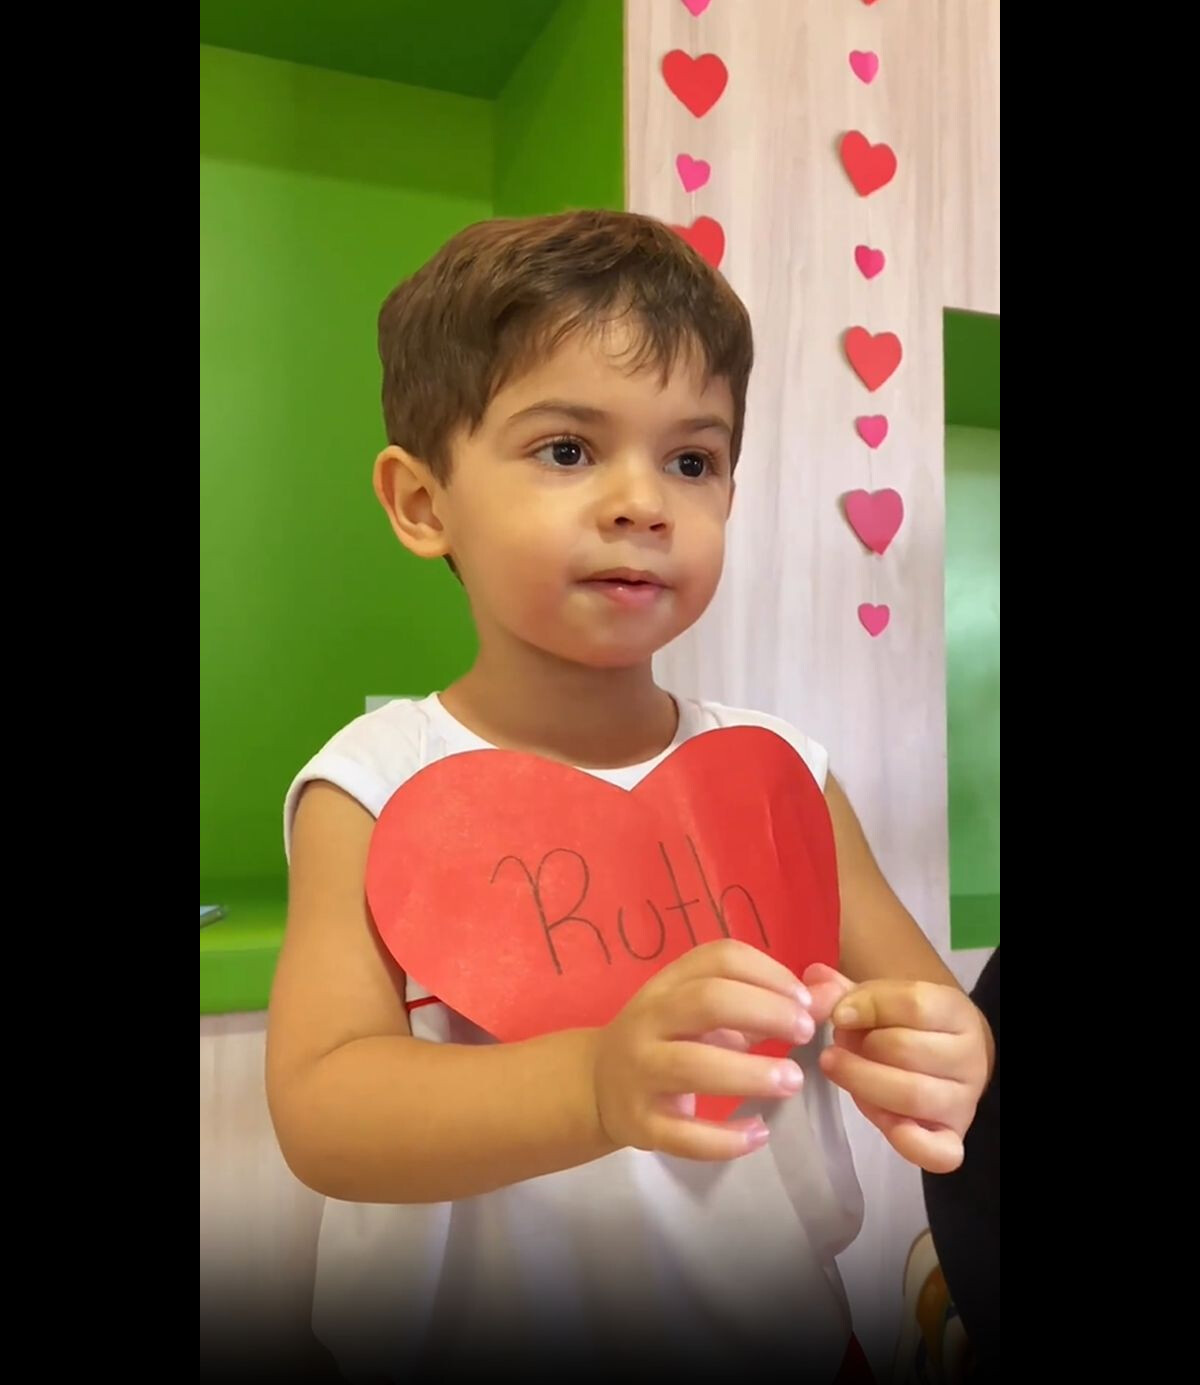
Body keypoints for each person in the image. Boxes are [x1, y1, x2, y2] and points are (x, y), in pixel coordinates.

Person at [264, 210, 994, 1383]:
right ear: (421, 502)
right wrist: (592, 1082)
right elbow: (325, 1107)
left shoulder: (782, 770)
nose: (642, 501)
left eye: (692, 460)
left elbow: (909, 999)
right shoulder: (373, 780)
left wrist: (940, 1046)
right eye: (567, 449)